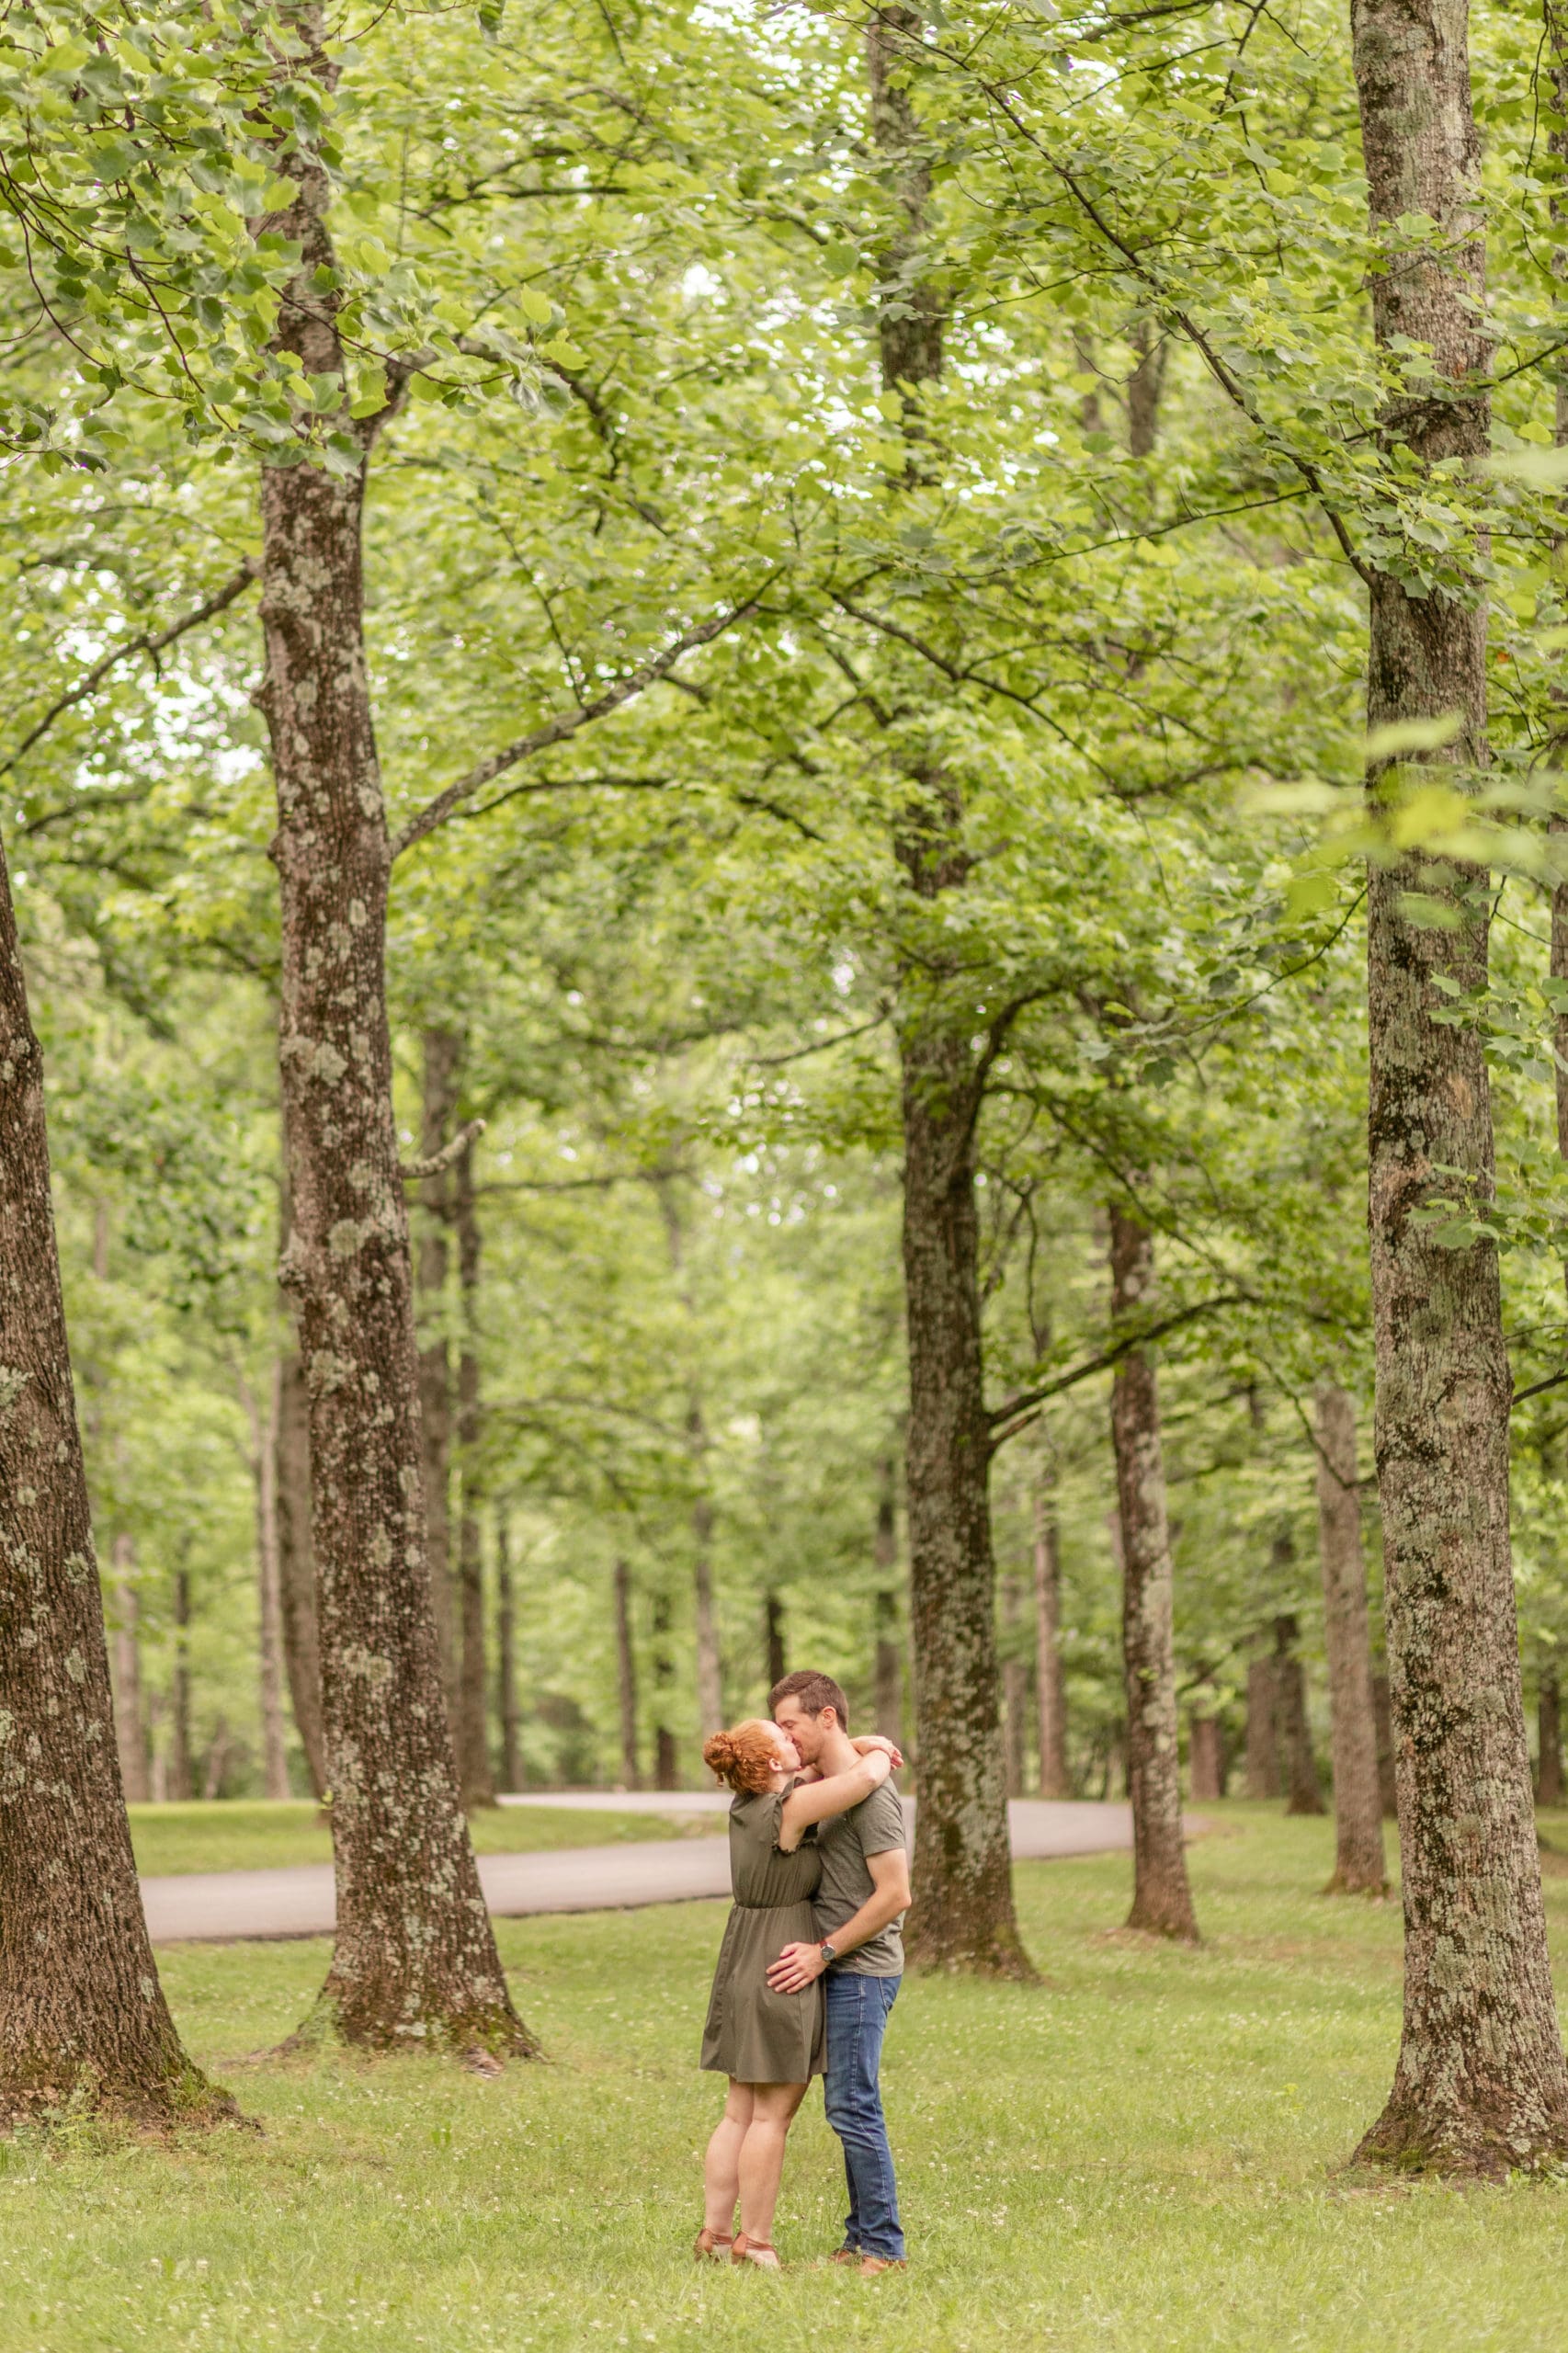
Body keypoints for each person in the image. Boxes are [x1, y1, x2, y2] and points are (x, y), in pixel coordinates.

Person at [697, 1716, 899, 2270]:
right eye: (784, 1738)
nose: (796, 1742)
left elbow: (816, 1768)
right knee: (769, 2118)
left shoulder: (747, 1804)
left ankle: (714, 2234)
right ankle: (756, 2241)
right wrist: (878, 1750)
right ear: (771, 1765)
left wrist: (854, 1744)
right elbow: (859, 1783)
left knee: (738, 2111)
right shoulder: (787, 1810)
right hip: (781, 1958)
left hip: (741, 1955)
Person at [767, 1669, 912, 2277]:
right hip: (836, 1968)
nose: (785, 1737)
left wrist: (824, 1952)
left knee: (854, 2106)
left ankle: (884, 2247)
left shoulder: (873, 1797)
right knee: (846, 2103)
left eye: (791, 1724)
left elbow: (895, 1894)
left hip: (862, 1969)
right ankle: (859, 2239)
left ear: (827, 1717)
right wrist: (872, 1747)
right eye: (777, 1727)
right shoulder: (833, 1784)